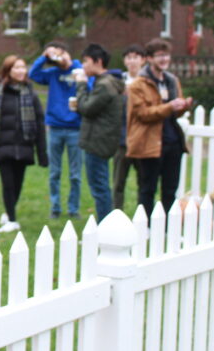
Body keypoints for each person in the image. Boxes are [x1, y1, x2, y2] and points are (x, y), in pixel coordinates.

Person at [0, 56, 48, 233]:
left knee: (18, 184)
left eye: (23, 67)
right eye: (16, 68)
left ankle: (8, 212)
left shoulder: (31, 95)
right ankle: (12, 220)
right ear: (8, 71)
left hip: (24, 147)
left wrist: (42, 153)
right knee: (8, 184)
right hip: (3, 146)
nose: (20, 71)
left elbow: (40, 124)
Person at [126, 38, 193, 214]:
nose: (164, 59)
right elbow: (142, 114)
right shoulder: (138, 85)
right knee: (147, 189)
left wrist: (182, 106)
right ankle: (146, 226)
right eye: (159, 56)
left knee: (170, 190)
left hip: (173, 143)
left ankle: (166, 228)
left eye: (166, 55)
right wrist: (169, 106)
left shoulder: (172, 81)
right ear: (149, 58)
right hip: (150, 144)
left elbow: (174, 113)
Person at [29, 42, 83, 219]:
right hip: (55, 127)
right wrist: (44, 57)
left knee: (75, 174)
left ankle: (73, 208)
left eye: (61, 54)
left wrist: (71, 63)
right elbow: (33, 74)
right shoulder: (52, 74)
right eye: (55, 55)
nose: (59, 58)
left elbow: (89, 82)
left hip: (75, 128)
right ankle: (55, 207)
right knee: (55, 172)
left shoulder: (78, 70)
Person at [74, 44, 123, 220]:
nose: (82, 66)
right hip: (102, 140)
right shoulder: (107, 83)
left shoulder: (104, 85)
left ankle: (105, 228)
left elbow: (87, 108)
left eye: (85, 61)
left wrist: (80, 86)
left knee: (99, 187)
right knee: (101, 186)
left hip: (97, 142)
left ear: (98, 62)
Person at [113, 44, 146, 210]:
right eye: (129, 57)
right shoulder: (118, 82)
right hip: (122, 139)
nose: (132, 61)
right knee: (118, 182)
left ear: (143, 60)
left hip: (142, 141)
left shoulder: (148, 81)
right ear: (125, 61)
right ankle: (116, 213)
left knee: (144, 182)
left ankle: (143, 214)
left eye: (136, 57)